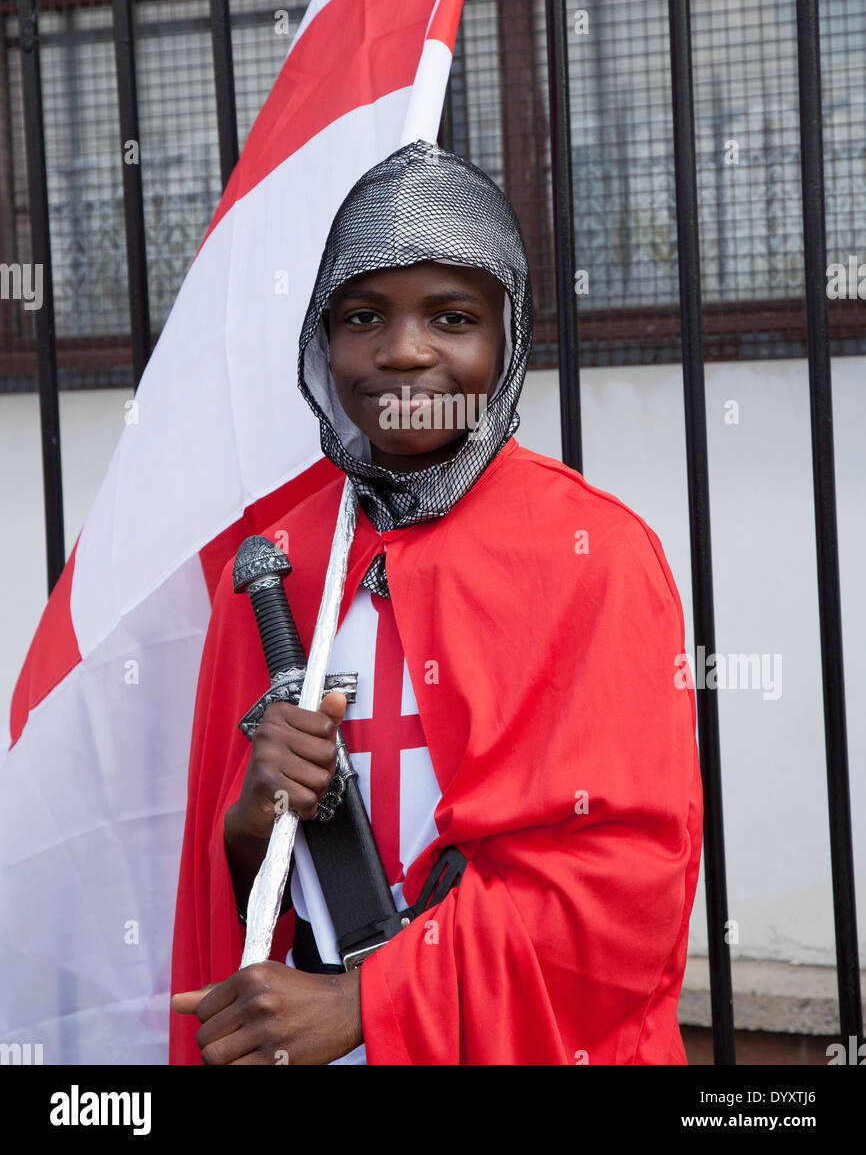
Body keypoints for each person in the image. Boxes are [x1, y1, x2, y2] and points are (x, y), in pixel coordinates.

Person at [169, 139, 703, 1065]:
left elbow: (624, 895)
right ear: (321, 343)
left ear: (509, 336)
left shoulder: (596, 556)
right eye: (363, 316)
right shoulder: (271, 566)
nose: (404, 351)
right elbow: (231, 900)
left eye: (451, 317)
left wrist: (371, 1002)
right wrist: (250, 823)